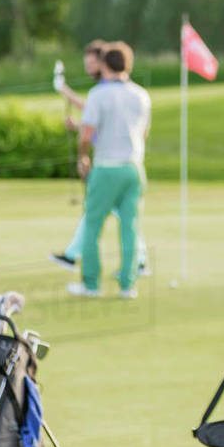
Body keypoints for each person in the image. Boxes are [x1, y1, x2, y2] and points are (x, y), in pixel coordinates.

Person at [50, 40, 150, 277]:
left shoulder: (99, 94)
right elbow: (141, 132)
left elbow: (89, 131)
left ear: (105, 64)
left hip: (107, 167)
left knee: (93, 224)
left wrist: (83, 155)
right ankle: (129, 280)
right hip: (134, 168)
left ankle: (90, 282)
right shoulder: (142, 95)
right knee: (129, 225)